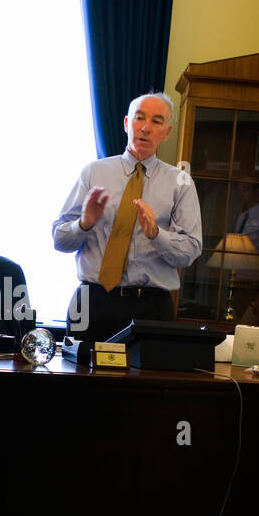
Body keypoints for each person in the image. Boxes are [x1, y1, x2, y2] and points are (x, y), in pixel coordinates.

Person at [52, 92, 202, 344]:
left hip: (152, 307)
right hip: (93, 302)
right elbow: (59, 240)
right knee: (82, 382)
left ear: (167, 132)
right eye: (139, 118)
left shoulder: (181, 182)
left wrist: (156, 234)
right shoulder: (94, 172)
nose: (145, 127)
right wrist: (84, 224)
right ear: (125, 123)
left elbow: (190, 251)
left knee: (146, 383)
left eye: (156, 121)